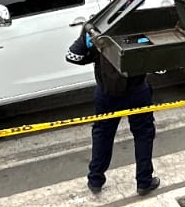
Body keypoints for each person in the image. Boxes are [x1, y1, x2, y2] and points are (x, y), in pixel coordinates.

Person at [66, 29, 159, 197]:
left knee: (102, 135)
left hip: (106, 94)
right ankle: (144, 182)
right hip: (137, 91)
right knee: (143, 135)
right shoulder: (141, 26)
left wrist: (94, 54)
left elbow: (73, 56)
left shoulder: (96, 28)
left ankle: (95, 180)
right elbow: (160, 68)